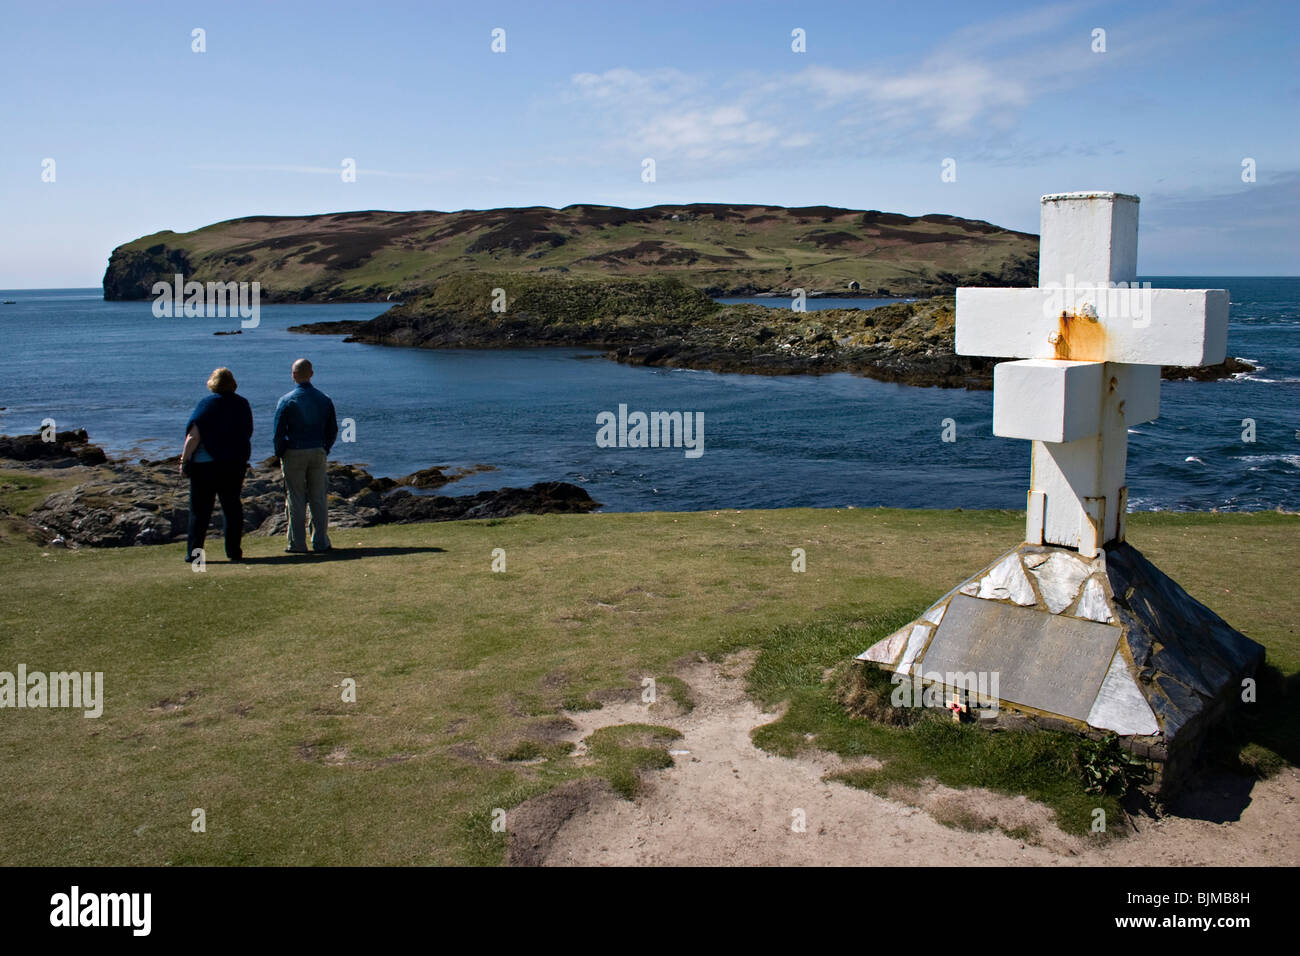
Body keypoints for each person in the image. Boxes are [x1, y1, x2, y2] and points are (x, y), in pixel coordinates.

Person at [181, 367, 254, 563]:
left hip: (205, 465)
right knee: (232, 508)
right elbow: (247, 432)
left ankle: (195, 554)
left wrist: (184, 460)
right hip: (233, 464)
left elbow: (193, 437)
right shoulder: (242, 404)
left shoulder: (206, 405)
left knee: (200, 511)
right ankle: (234, 551)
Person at [272, 358, 338, 553]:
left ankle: (297, 542)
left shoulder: (286, 401)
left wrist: (279, 452)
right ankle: (320, 541)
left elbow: (278, 432)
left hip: (294, 450)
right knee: (318, 497)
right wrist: (325, 447)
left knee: (295, 497)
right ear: (311, 374)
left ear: (293, 375)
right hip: (317, 450)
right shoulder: (324, 399)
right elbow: (332, 429)